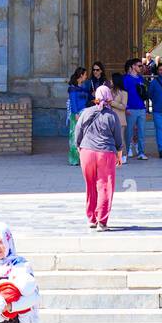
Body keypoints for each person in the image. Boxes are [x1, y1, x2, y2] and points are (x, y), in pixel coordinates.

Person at [75, 84, 124, 230]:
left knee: (90, 186)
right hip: (105, 153)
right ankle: (101, 221)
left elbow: (78, 131)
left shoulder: (86, 112)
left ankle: (91, 218)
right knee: (104, 187)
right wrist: (119, 154)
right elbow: (118, 138)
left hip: (87, 152)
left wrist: (79, 147)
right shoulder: (112, 115)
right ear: (109, 97)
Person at [123, 58, 148, 160]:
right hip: (131, 108)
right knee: (128, 132)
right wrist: (126, 107)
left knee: (141, 132)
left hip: (141, 108)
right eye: (139, 66)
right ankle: (126, 151)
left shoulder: (141, 78)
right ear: (133, 66)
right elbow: (123, 94)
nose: (141, 67)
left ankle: (141, 152)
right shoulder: (126, 79)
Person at [66, 68, 91, 166]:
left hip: (84, 113)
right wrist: (76, 113)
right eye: (85, 74)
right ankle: (74, 159)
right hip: (76, 114)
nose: (86, 76)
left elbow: (87, 97)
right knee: (74, 137)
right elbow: (73, 102)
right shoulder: (73, 88)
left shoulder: (83, 86)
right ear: (81, 75)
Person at [110, 71, 128, 162]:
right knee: (111, 139)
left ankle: (123, 155)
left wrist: (112, 103)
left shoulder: (124, 93)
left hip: (120, 119)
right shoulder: (109, 91)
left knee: (120, 138)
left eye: (112, 79)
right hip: (110, 119)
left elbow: (123, 106)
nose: (110, 81)